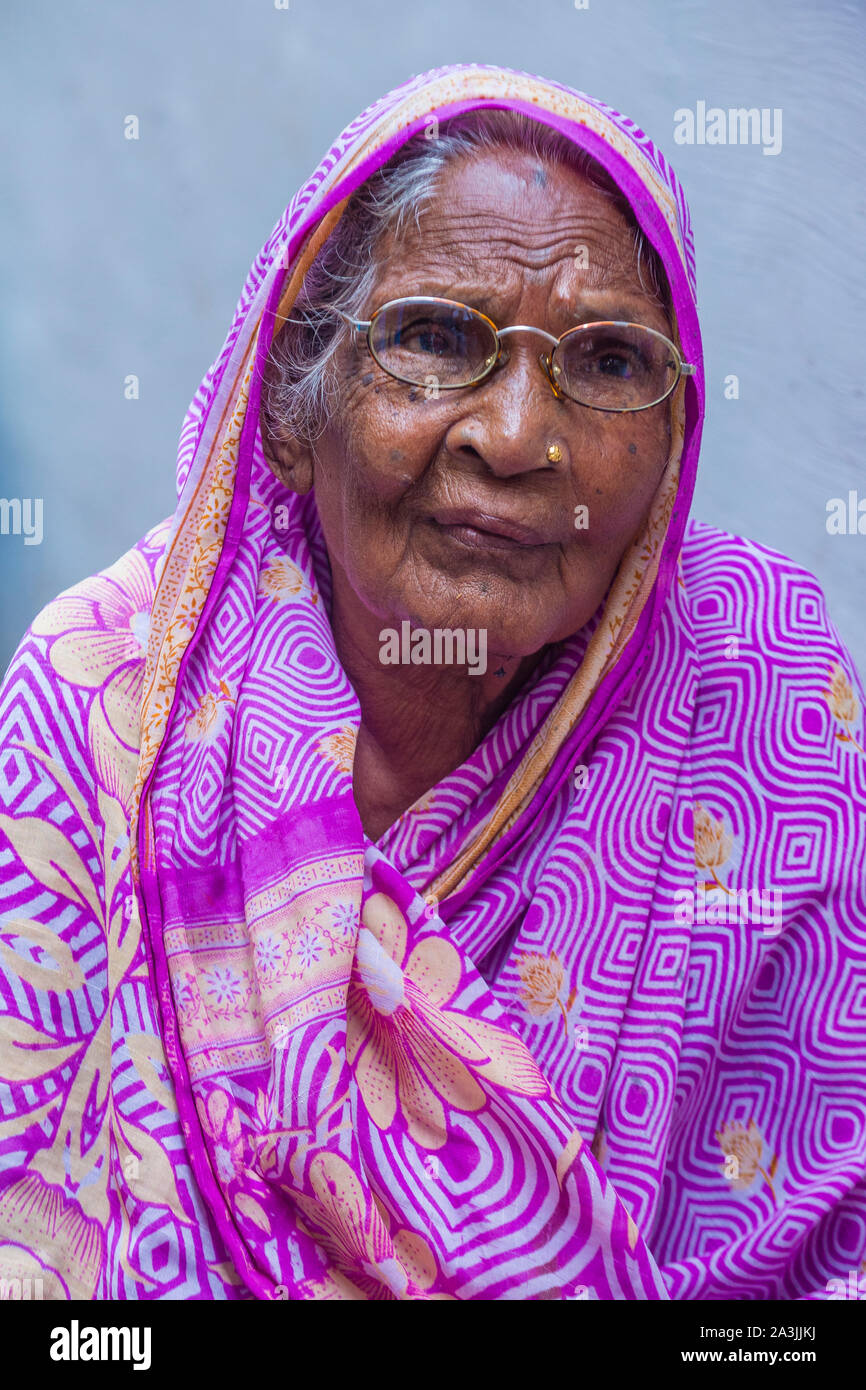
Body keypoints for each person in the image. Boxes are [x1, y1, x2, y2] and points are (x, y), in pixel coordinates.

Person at [0, 63, 863, 1301]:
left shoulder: (751, 687)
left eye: (609, 363)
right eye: (434, 338)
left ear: (675, 441)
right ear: (299, 399)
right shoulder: (109, 696)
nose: (516, 436)